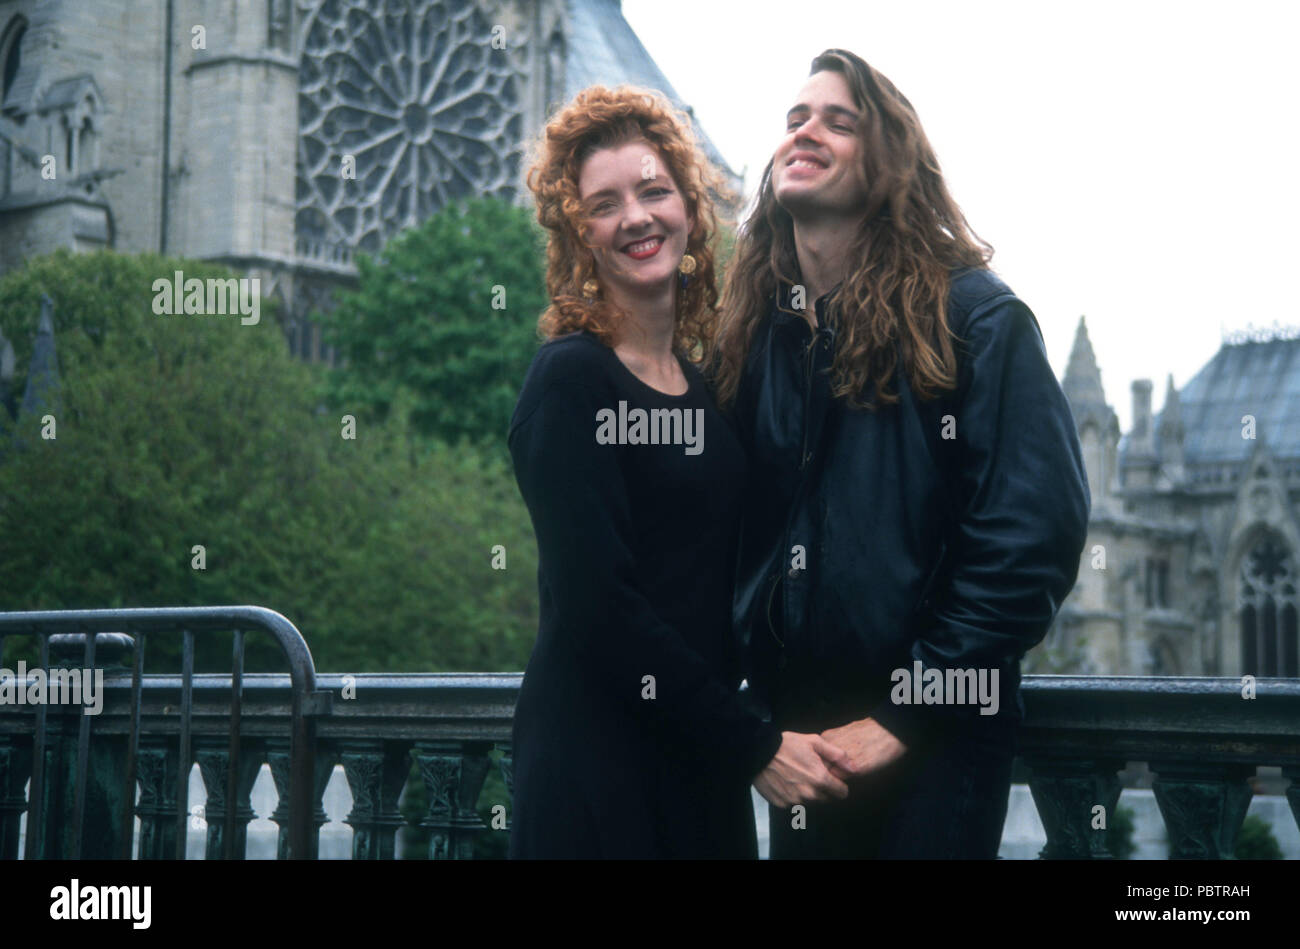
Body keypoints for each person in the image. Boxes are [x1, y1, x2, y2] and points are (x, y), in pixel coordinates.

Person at [709, 49, 1091, 858]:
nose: (804, 131)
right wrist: (753, 729)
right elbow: (710, 539)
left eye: (837, 121)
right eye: (794, 119)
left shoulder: (977, 319)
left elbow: (1030, 540)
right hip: (803, 747)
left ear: (888, 164)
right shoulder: (755, 336)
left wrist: (904, 713)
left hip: (935, 741)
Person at [507, 85, 851, 858]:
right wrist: (755, 742)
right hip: (598, 769)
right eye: (604, 203)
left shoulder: (707, 386)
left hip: (699, 762)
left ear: (691, 213)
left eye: (654, 190)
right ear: (579, 234)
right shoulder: (569, 381)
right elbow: (599, 607)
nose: (636, 216)